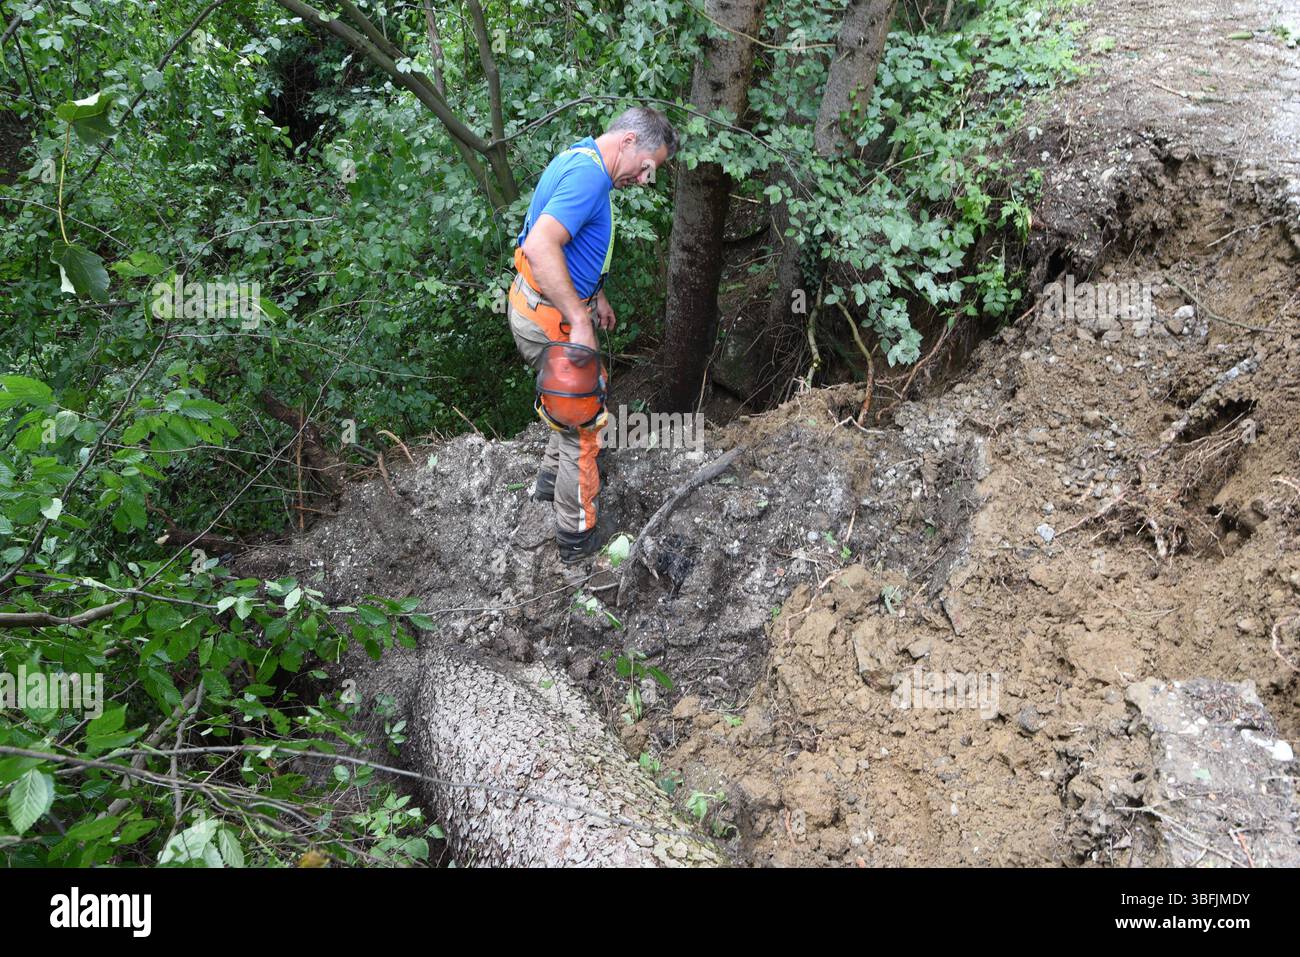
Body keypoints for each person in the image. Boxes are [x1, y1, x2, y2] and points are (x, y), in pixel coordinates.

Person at [509, 106, 679, 563]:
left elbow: (575, 242)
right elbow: (540, 244)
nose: (647, 179)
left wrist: (594, 294)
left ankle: (549, 484)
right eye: (648, 167)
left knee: (569, 408)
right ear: (626, 141)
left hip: (541, 309)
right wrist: (579, 320)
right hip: (551, 321)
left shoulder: (583, 161)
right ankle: (575, 544)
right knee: (584, 431)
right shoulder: (588, 179)